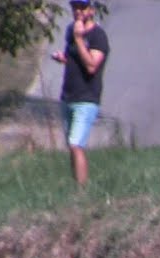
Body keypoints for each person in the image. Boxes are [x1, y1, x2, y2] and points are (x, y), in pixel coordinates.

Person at [51, 0, 109, 187]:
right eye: (75, 7)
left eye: (82, 8)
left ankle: (81, 190)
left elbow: (92, 65)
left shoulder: (98, 36)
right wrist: (64, 58)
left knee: (77, 145)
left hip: (87, 98)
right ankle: (75, 183)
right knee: (71, 145)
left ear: (91, 10)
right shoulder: (71, 31)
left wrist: (78, 39)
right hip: (69, 95)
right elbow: (75, 58)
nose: (78, 12)